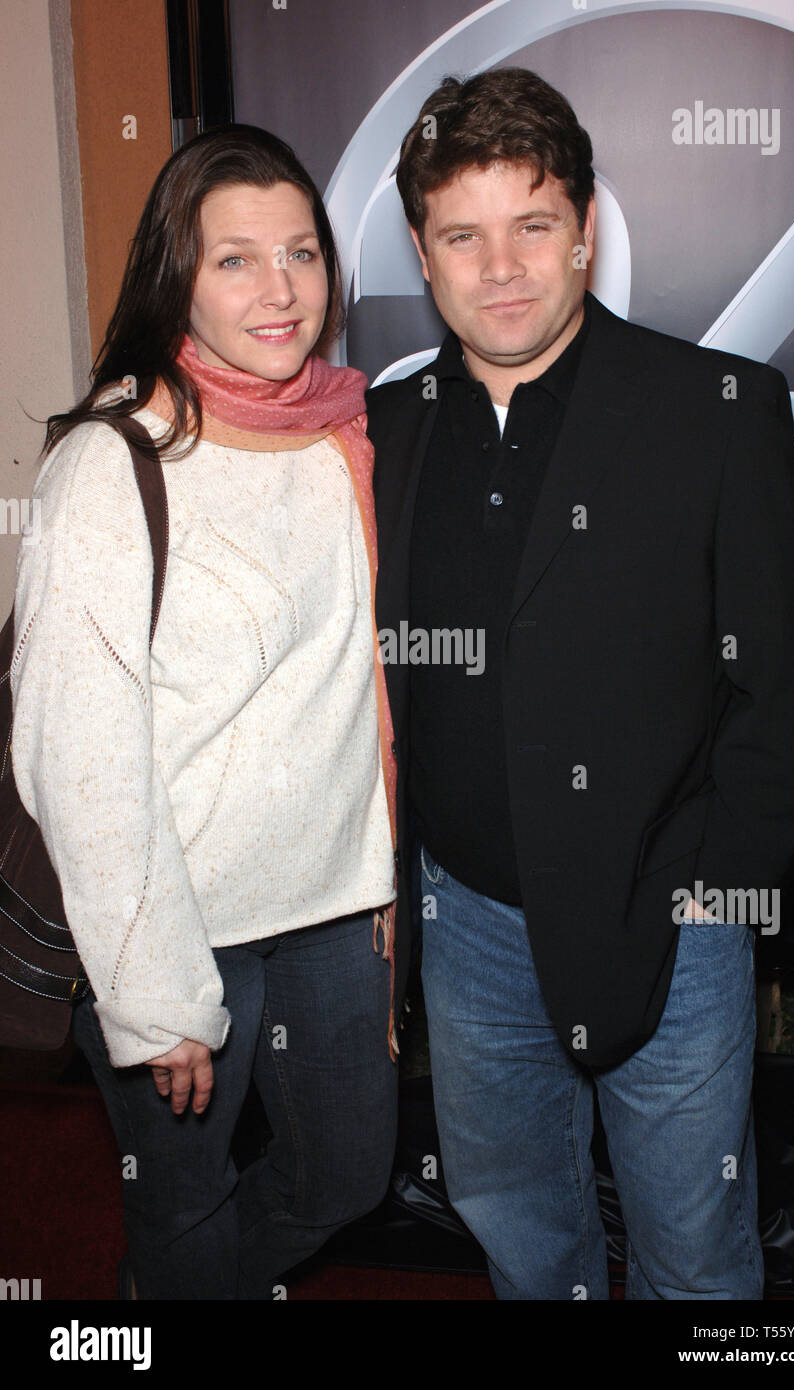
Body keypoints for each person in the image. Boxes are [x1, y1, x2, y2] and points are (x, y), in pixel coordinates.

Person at [367, 68, 794, 1300]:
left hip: (669, 922)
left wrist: (715, 894)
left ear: (585, 226)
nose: (502, 265)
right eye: (463, 235)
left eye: (532, 223)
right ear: (424, 254)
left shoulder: (716, 412)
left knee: (695, 1253)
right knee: (523, 1237)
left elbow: (783, 693)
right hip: (464, 928)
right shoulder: (387, 430)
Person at [10, 124, 400, 1300]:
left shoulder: (339, 431)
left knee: (345, 1178)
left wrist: (380, 875)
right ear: (175, 273)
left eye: (300, 253)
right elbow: (77, 751)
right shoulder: (113, 462)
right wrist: (153, 993)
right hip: (185, 930)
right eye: (234, 259)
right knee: (182, 1212)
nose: (278, 290)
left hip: (334, 911)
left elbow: (354, 682)